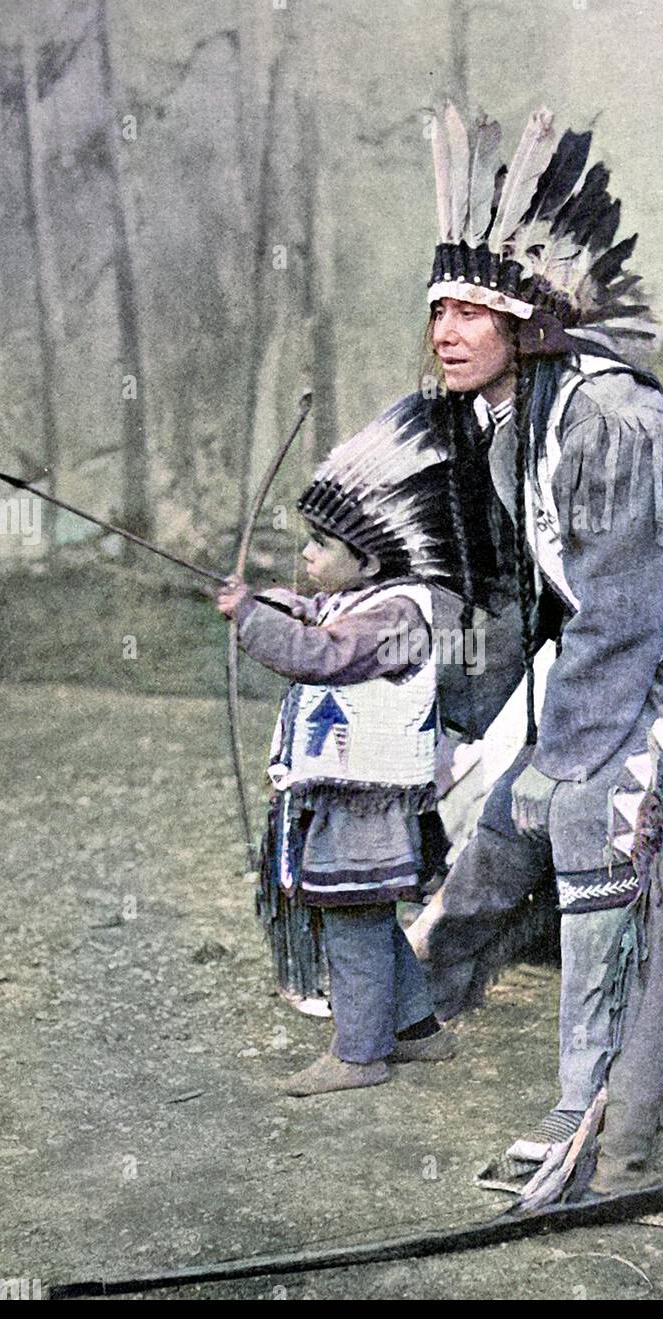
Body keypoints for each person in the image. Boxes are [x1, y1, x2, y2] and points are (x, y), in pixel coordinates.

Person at [358, 102, 663, 1190]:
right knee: (510, 797)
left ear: (528, 322)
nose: (448, 333)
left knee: (585, 814)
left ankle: (596, 1109)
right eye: (438, 312)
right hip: (632, 637)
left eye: (473, 312)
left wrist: (568, 763)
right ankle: (420, 1000)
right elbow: (534, 599)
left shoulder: (609, 418)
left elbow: (618, 617)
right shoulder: (505, 418)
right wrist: (461, 726)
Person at [216, 403, 461, 1095]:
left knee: (352, 915)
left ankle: (359, 1054)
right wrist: (265, 604)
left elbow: (322, 654)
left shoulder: (396, 615)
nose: (306, 556)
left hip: (368, 803)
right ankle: (415, 1031)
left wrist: (254, 622)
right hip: (355, 798)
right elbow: (314, 616)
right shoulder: (364, 600)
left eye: (320, 545)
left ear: (371, 558)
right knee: (365, 911)